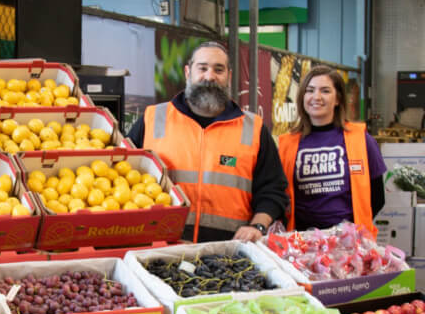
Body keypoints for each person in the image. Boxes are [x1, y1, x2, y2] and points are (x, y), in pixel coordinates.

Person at [127, 41, 289, 243]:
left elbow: (273, 189)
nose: (210, 76)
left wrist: (257, 226)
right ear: (188, 72)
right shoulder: (152, 119)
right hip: (161, 245)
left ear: (229, 76)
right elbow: (123, 175)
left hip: (228, 252)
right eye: (202, 68)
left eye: (218, 70)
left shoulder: (253, 129)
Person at [277, 65, 386, 234]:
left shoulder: (361, 140)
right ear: (302, 97)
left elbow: (378, 197)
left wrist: (347, 234)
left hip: (348, 243)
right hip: (301, 242)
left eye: (325, 91)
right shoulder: (287, 144)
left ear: (338, 99)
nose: (316, 97)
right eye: (310, 90)